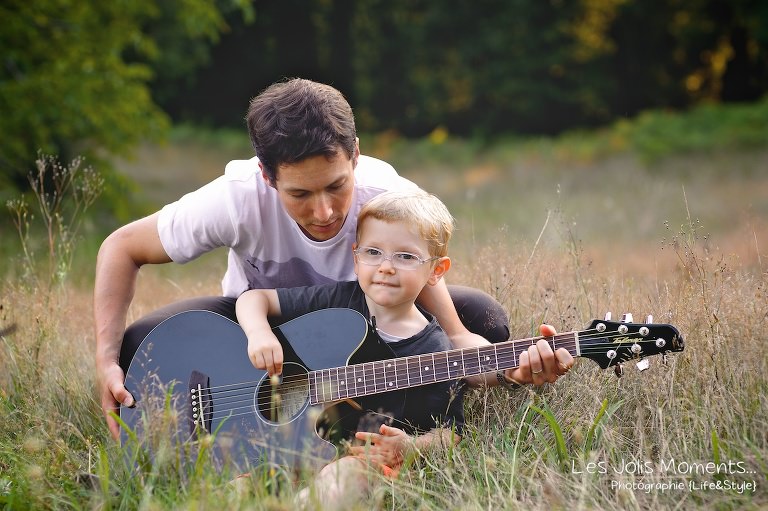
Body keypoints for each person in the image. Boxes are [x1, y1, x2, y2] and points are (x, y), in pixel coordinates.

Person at [94, 78, 571, 440]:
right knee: (140, 344)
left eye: (337, 186)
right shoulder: (234, 199)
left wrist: (505, 365)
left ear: (355, 156)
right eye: (300, 193)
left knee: (483, 316)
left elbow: (454, 332)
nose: (323, 212)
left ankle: (381, 412)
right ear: (266, 175)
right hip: (260, 334)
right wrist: (105, 360)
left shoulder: (390, 199)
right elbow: (120, 247)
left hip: (366, 331)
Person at [232, 189, 478, 504]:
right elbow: (255, 298)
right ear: (355, 256)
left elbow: (451, 431)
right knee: (240, 487)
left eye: (405, 256)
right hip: (297, 443)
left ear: (436, 270)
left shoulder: (435, 349)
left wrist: (412, 446)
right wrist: (259, 333)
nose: (386, 267)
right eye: (373, 252)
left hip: (365, 454)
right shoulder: (341, 303)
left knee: (340, 481)